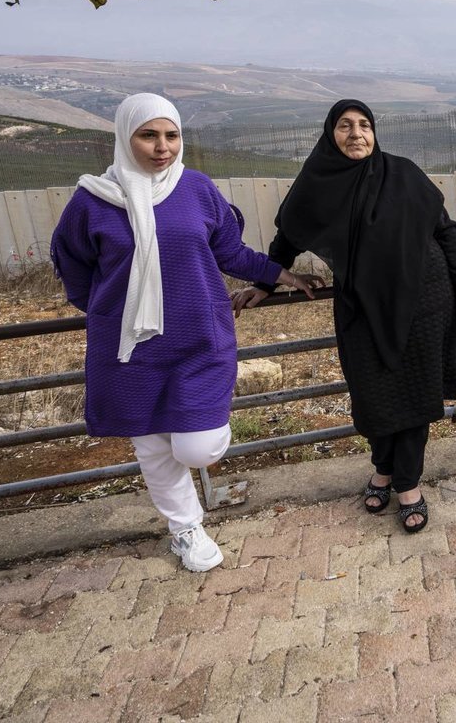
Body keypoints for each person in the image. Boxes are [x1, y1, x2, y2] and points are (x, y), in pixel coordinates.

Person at [51, 93, 317, 572]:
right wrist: (117, 313)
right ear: (124, 137)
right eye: (148, 135)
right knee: (153, 447)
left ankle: (191, 478)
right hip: (130, 348)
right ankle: (186, 529)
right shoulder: (91, 202)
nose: (162, 147)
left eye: (171, 135)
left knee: (198, 446)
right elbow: (76, 275)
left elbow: (230, 253)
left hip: (200, 337)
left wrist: (282, 276)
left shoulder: (195, 188)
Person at [232, 99, 456, 533]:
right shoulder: (316, 185)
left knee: (415, 398)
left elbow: (446, 232)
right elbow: (287, 236)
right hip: (360, 307)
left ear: (374, 132)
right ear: (331, 133)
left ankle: (405, 484)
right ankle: (383, 468)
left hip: (424, 300)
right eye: (345, 126)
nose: (356, 134)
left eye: (364, 125)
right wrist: (267, 282)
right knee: (373, 394)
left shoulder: (403, 174)